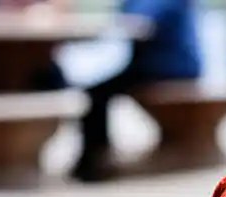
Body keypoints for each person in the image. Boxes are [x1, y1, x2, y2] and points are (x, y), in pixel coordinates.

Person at [72, 0, 204, 182]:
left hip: (172, 66)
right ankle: (95, 157)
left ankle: (94, 161)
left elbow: (143, 21)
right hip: (150, 64)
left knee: (96, 94)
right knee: (96, 92)